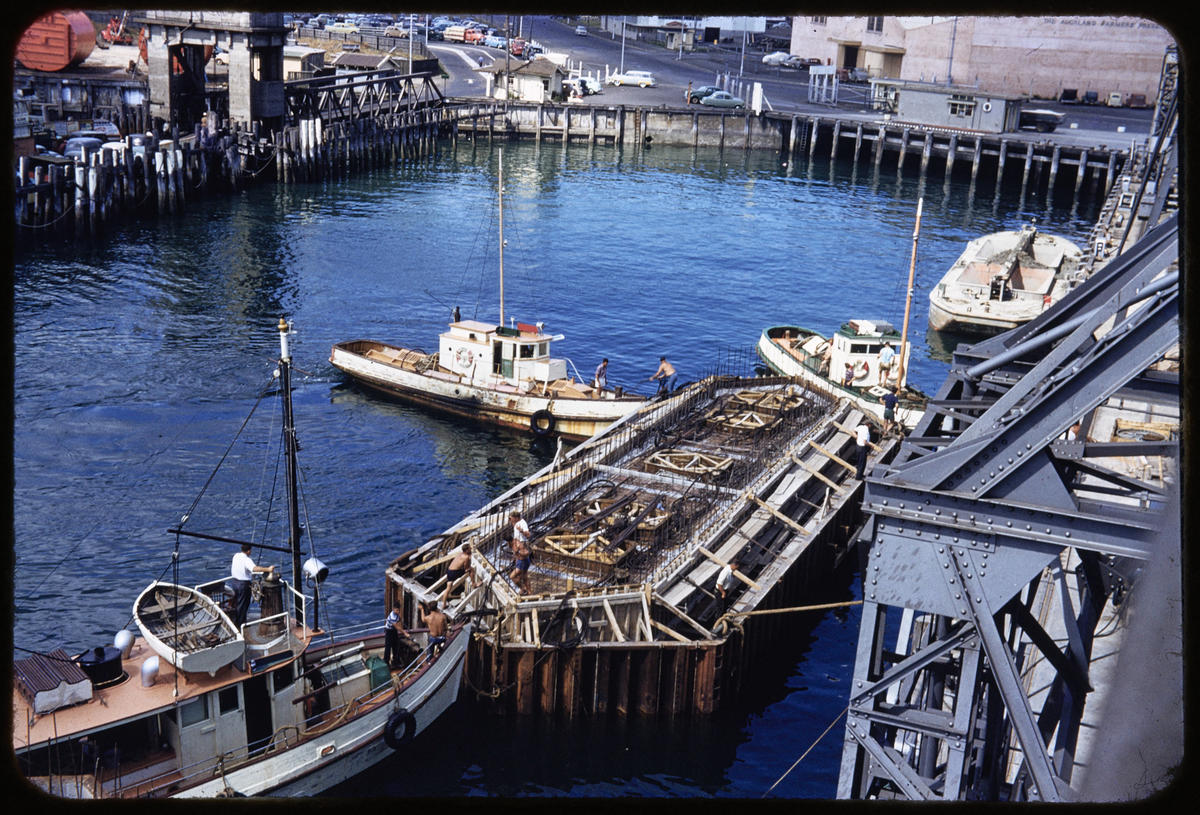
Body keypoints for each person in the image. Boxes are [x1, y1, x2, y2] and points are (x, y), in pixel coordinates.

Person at [230, 543, 275, 627]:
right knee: (243, 605)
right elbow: (254, 568)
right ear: (249, 551)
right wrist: (268, 569)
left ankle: (237, 620)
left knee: (237, 603)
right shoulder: (247, 560)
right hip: (243, 585)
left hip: (235, 582)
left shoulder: (236, 556)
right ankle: (240, 624)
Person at [508, 511, 532, 595]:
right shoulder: (515, 523)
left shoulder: (522, 524)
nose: (510, 520)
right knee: (524, 576)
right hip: (519, 556)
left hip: (522, 555)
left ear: (516, 518)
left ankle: (523, 589)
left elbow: (528, 535)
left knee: (513, 576)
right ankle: (528, 591)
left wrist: (521, 531)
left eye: (511, 519)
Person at [383, 602, 406, 667]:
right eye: (396, 610)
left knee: (395, 646)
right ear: (393, 609)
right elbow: (397, 627)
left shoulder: (396, 614)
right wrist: (405, 632)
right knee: (388, 647)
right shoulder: (392, 616)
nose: (398, 611)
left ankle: (395, 661)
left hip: (393, 631)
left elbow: (399, 620)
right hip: (389, 631)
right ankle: (386, 662)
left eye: (398, 610)